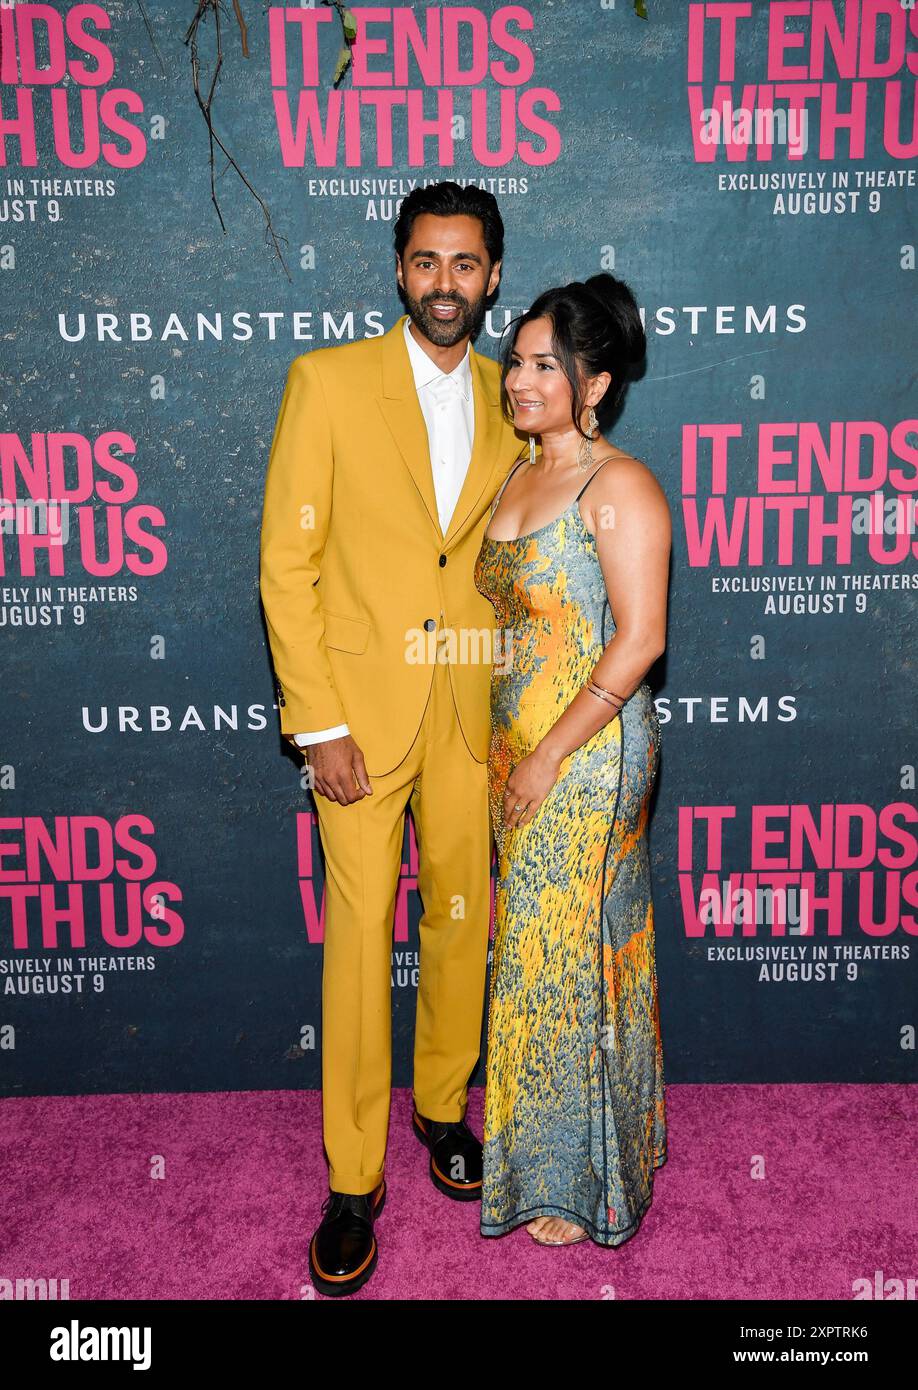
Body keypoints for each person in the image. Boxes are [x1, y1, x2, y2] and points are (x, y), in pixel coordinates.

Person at [259, 182, 527, 1295]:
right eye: (426, 262)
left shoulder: (525, 401)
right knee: (363, 939)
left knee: (463, 917)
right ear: (398, 268)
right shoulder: (327, 382)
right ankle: (353, 1178)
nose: (446, 285)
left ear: (494, 277)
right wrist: (317, 722)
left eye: (466, 265)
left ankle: (440, 1109)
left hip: (470, 708)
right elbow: (288, 563)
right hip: (359, 720)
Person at [473, 274, 671, 1247]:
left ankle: (583, 1176)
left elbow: (637, 641)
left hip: (586, 756)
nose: (519, 378)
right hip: (520, 747)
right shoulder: (514, 471)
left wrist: (548, 754)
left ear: (593, 385)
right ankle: (570, 1148)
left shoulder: (618, 485)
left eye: (545, 365)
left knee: (570, 957)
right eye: (515, 360)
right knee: (534, 955)